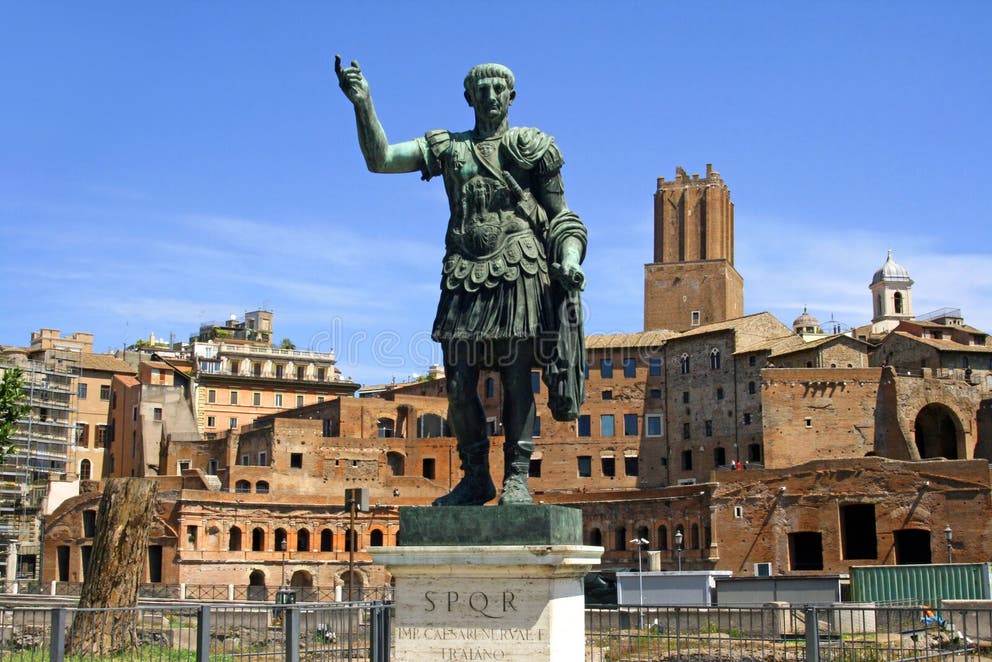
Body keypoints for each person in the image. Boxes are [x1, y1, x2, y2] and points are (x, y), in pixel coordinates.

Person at [335, 57, 587, 506]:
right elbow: (381, 159)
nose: (490, 96)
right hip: (464, 273)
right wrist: (363, 103)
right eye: (481, 90)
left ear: (511, 96)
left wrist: (569, 259)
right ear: (468, 98)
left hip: (518, 267)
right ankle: (475, 477)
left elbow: (561, 216)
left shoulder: (532, 146)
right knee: (457, 382)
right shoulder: (450, 147)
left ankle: (516, 478)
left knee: (514, 379)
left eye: (498, 89)